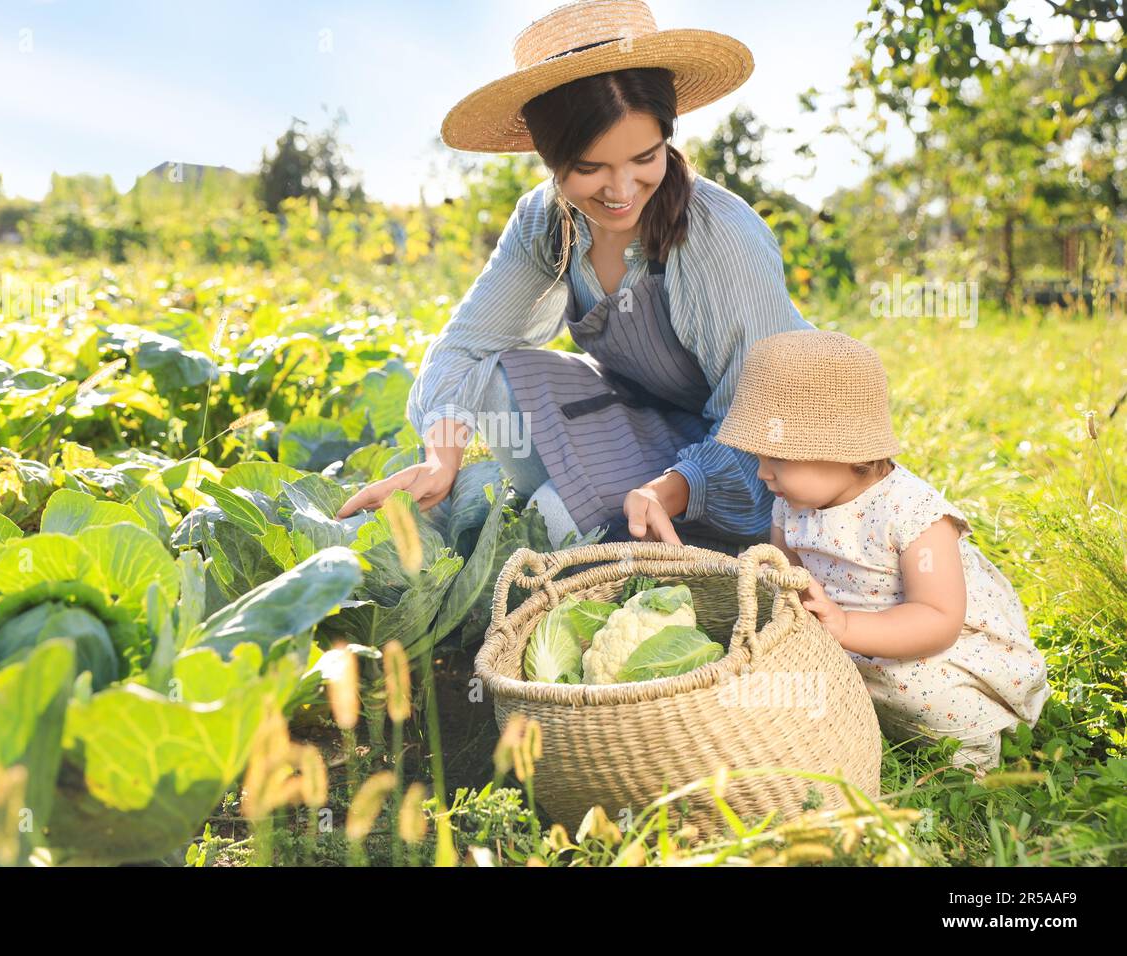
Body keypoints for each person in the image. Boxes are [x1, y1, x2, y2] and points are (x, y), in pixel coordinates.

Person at [337, 0, 812, 553]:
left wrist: (672, 488)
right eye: (589, 168)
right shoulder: (544, 221)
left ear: (667, 136)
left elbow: (762, 417)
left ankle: (641, 529)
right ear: (549, 156)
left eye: (645, 157)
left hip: (767, 453)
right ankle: (601, 519)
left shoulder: (718, 236)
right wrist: (442, 455)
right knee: (496, 380)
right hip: (650, 421)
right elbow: (465, 347)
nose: (621, 189)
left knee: (555, 523)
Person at [715, 329, 1052, 772]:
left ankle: (970, 751)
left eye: (776, 459)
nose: (763, 474)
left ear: (844, 452)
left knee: (926, 693)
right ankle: (846, 715)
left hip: (922, 648)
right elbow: (790, 573)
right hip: (843, 645)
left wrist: (846, 625)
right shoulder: (791, 504)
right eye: (759, 458)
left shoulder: (912, 514)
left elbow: (937, 618)